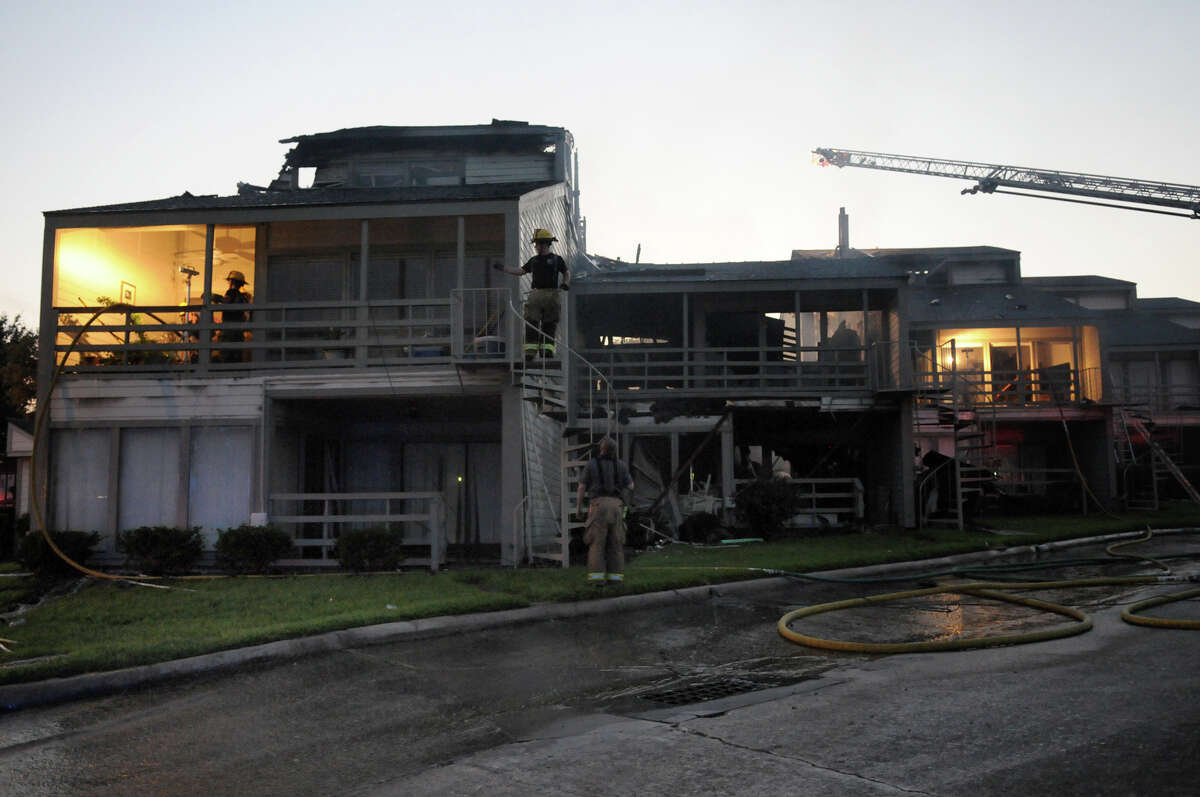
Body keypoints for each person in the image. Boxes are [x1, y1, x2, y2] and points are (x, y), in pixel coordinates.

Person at [493, 229, 570, 358]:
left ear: (545, 244)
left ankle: (547, 350)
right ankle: (530, 351)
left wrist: (566, 283)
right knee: (531, 321)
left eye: (537, 244)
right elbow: (521, 271)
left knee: (549, 323)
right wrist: (504, 268)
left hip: (552, 294)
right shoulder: (534, 261)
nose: (536, 247)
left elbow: (566, 272)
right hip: (536, 294)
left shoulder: (557, 260)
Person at [575, 436, 634, 586]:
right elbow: (631, 486)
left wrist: (578, 508)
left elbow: (581, 487)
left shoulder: (591, 464)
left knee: (597, 544)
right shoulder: (621, 465)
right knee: (616, 544)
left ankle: (597, 581)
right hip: (617, 506)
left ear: (602, 449)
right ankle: (616, 580)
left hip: (598, 505)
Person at [208, 270, 253, 362]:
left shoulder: (231, 292)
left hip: (228, 332)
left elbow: (226, 302)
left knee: (226, 356)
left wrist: (215, 297)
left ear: (232, 282)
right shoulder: (242, 297)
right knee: (237, 356)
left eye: (229, 281)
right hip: (238, 332)